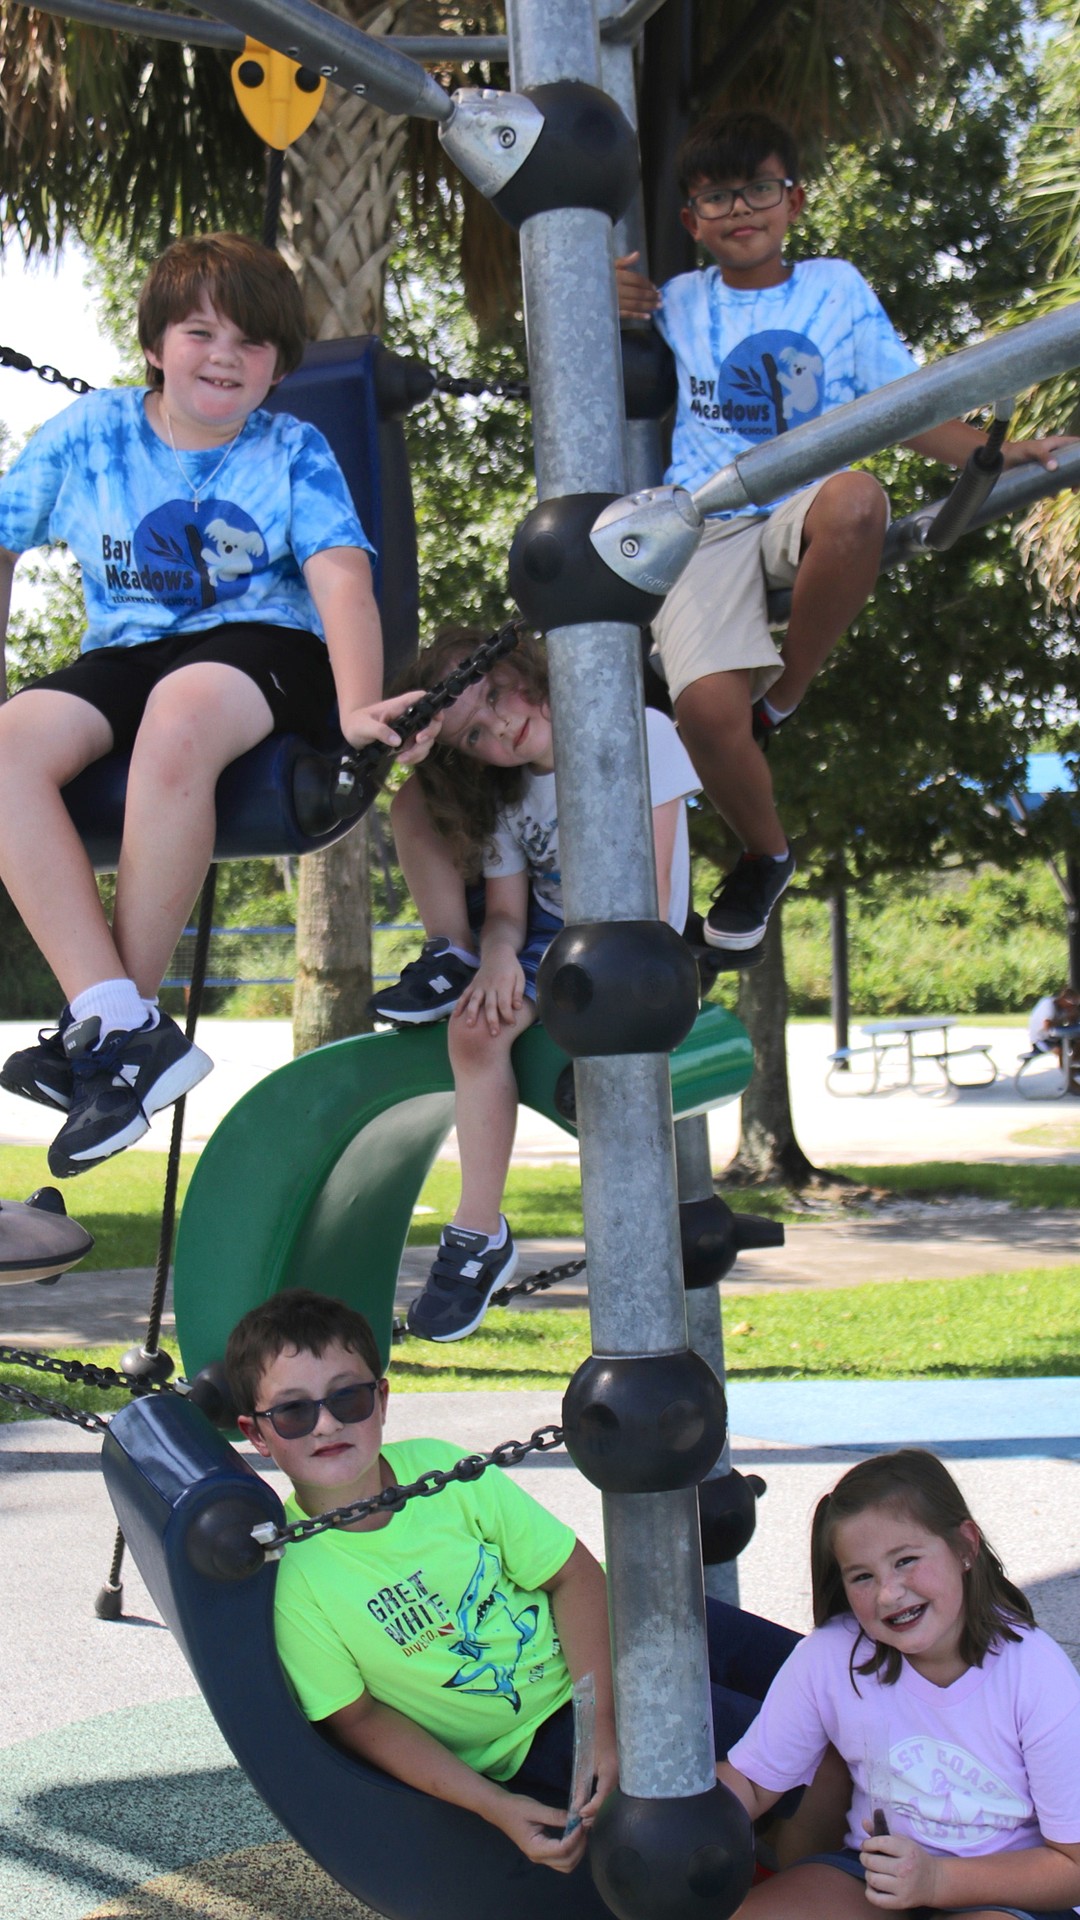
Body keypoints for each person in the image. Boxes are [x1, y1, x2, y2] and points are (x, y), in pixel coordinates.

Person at [0, 232, 433, 1179]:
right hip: (124, 648)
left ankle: (116, 1038)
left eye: (252, 343)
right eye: (199, 332)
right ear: (155, 345)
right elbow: (4, 540)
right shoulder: (90, 436)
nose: (225, 356)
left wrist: (359, 706)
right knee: (8, 749)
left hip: (265, 646)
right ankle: (116, 1020)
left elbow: (342, 579)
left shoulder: (292, 449)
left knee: (181, 715)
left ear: (277, 369)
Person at [616, 109, 1076, 959]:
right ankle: (767, 854)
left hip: (805, 501)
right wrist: (605, 298)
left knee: (861, 500)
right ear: (690, 221)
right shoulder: (679, 302)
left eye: (757, 188)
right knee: (708, 714)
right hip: (707, 516)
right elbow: (578, 343)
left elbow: (904, 408)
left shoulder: (834, 289)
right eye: (715, 197)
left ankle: (782, 698)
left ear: (792, 201)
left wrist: (998, 452)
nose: (738, 209)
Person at [225, 1287, 844, 1876]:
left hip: (609, 1640)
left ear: (381, 1400)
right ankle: (838, 1881)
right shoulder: (298, 1578)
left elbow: (572, 1576)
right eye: (293, 1411)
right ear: (256, 1433)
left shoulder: (439, 1470)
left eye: (347, 1399)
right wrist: (495, 1805)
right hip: (535, 1732)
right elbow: (359, 1720)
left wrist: (601, 1724)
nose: (327, 1424)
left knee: (829, 1678)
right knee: (795, 1759)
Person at [368, 627, 701, 1342]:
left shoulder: (639, 731)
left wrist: (565, 993)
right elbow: (511, 910)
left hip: (630, 938)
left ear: (522, 669)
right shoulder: (510, 795)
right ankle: (478, 1234)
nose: (500, 727)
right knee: (473, 1027)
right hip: (550, 943)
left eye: (493, 696)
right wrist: (493, 958)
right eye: (476, 735)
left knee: (592, 1035)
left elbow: (651, 886)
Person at [717, 1447, 1080, 1920]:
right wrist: (663, 1814)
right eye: (862, 1576)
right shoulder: (833, 1655)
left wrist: (936, 1880)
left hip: (1005, 1894)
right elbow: (750, 1781)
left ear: (965, 1547)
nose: (889, 1592)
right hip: (876, 1876)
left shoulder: (1035, 1672)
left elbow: (1071, 1865)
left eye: (906, 1560)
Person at [1028, 986, 1080, 1091]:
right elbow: (1047, 1025)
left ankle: (1071, 1067)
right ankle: (1069, 1082)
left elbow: (1071, 1025)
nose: (1072, 1007)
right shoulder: (1048, 1005)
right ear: (1065, 1000)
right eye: (1072, 1004)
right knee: (1061, 1051)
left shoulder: (1062, 1008)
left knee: (1077, 1042)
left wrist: (1072, 1017)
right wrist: (1065, 1018)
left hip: (1054, 1038)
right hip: (1040, 1040)